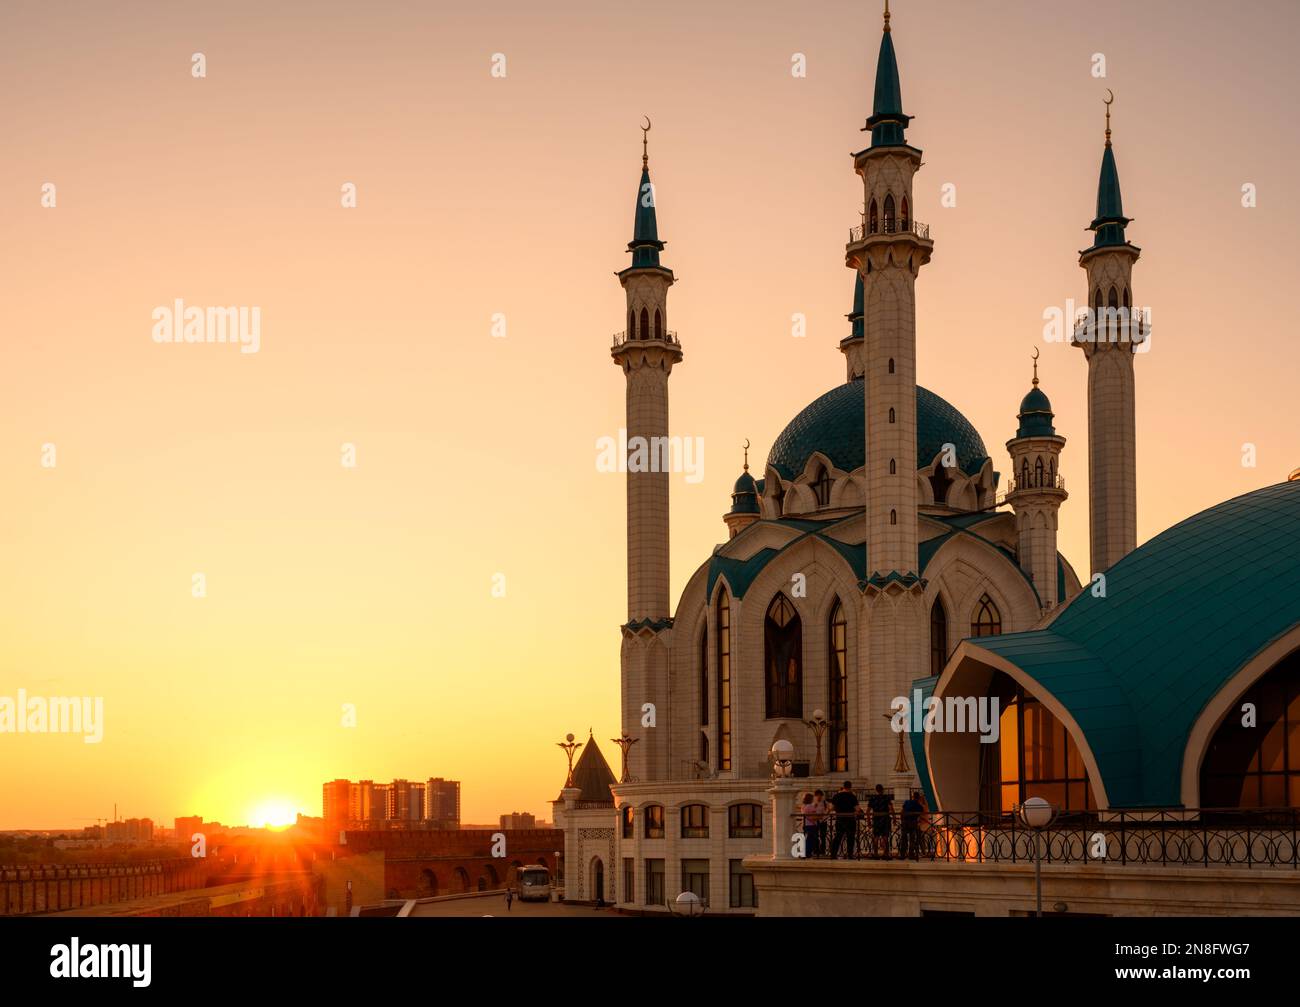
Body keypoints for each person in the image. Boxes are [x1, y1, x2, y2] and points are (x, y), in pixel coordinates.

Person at [829, 781, 861, 859]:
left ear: (843, 786)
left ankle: (833, 854)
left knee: (838, 837)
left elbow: (831, 808)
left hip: (840, 819)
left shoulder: (836, 796)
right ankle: (850, 854)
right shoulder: (852, 796)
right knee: (850, 837)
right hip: (850, 819)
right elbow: (857, 809)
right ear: (850, 787)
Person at [867, 784, 894, 860]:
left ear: (876, 790)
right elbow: (891, 808)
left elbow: (868, 811)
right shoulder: (886, 798)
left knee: (876, 836)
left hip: (876, 819)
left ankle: (876, 854)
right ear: (883, 789)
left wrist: (868, 821)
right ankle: (886, 854)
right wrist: (894, 818)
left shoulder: (873, 798)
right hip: (885, 818)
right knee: (885, 836)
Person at [900, 790, 924, 860]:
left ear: (913, 797)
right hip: (913, 823)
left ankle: (902, 855)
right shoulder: (919, 806)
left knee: (904, 839)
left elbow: (902, 811)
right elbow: (919, 815)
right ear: (918, 798)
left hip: (905, 822)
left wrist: (902, 819)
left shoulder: (907, 802)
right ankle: (911, 854)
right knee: (912, 839)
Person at [800, 793, 817, 858]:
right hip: (811, 824)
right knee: (811, 839)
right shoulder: (810, 806)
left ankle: (804, 852)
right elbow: (813, 816)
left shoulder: (803, 806)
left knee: (808, 839)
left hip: (805, 824)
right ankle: (807, 853)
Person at [812, 789, 828, 857]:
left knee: (823, 836)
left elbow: (827, 810)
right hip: (815, 821)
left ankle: (823, 850)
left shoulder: (825, 803)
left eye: (820, 795)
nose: (819, 797)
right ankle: (816, 850)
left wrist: (824, 815)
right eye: (817, 795)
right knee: (815, 836)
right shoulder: (813, 803)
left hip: (823, 821)